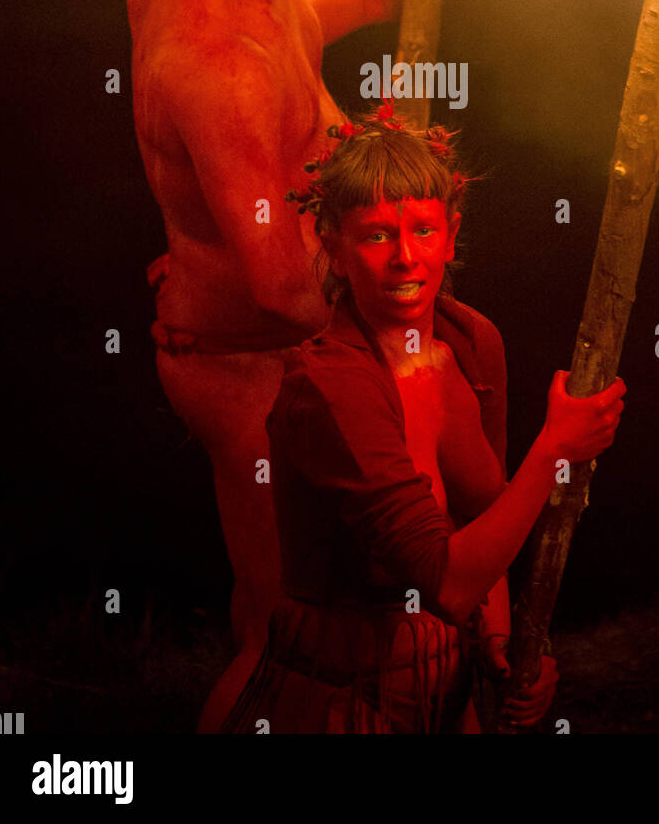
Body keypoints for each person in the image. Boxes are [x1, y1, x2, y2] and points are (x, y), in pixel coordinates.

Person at [127, 0, 468, 730]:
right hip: (254, 368)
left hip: (268, 349)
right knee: (291, 644)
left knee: (275, 615)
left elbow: (282, 37)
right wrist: (402, 248)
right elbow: (282, 283)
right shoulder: (210, 57)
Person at [221, 108, 626, 733]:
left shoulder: (471, 341)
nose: (406, 257)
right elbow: (445, 583)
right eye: (377, 235)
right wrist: (555, 452)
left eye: (424, 231)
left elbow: (482, 520)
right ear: (331, 242)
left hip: (452, 682)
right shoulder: (328, 387)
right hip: (342, 698)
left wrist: (502, 645)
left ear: (453, 234)